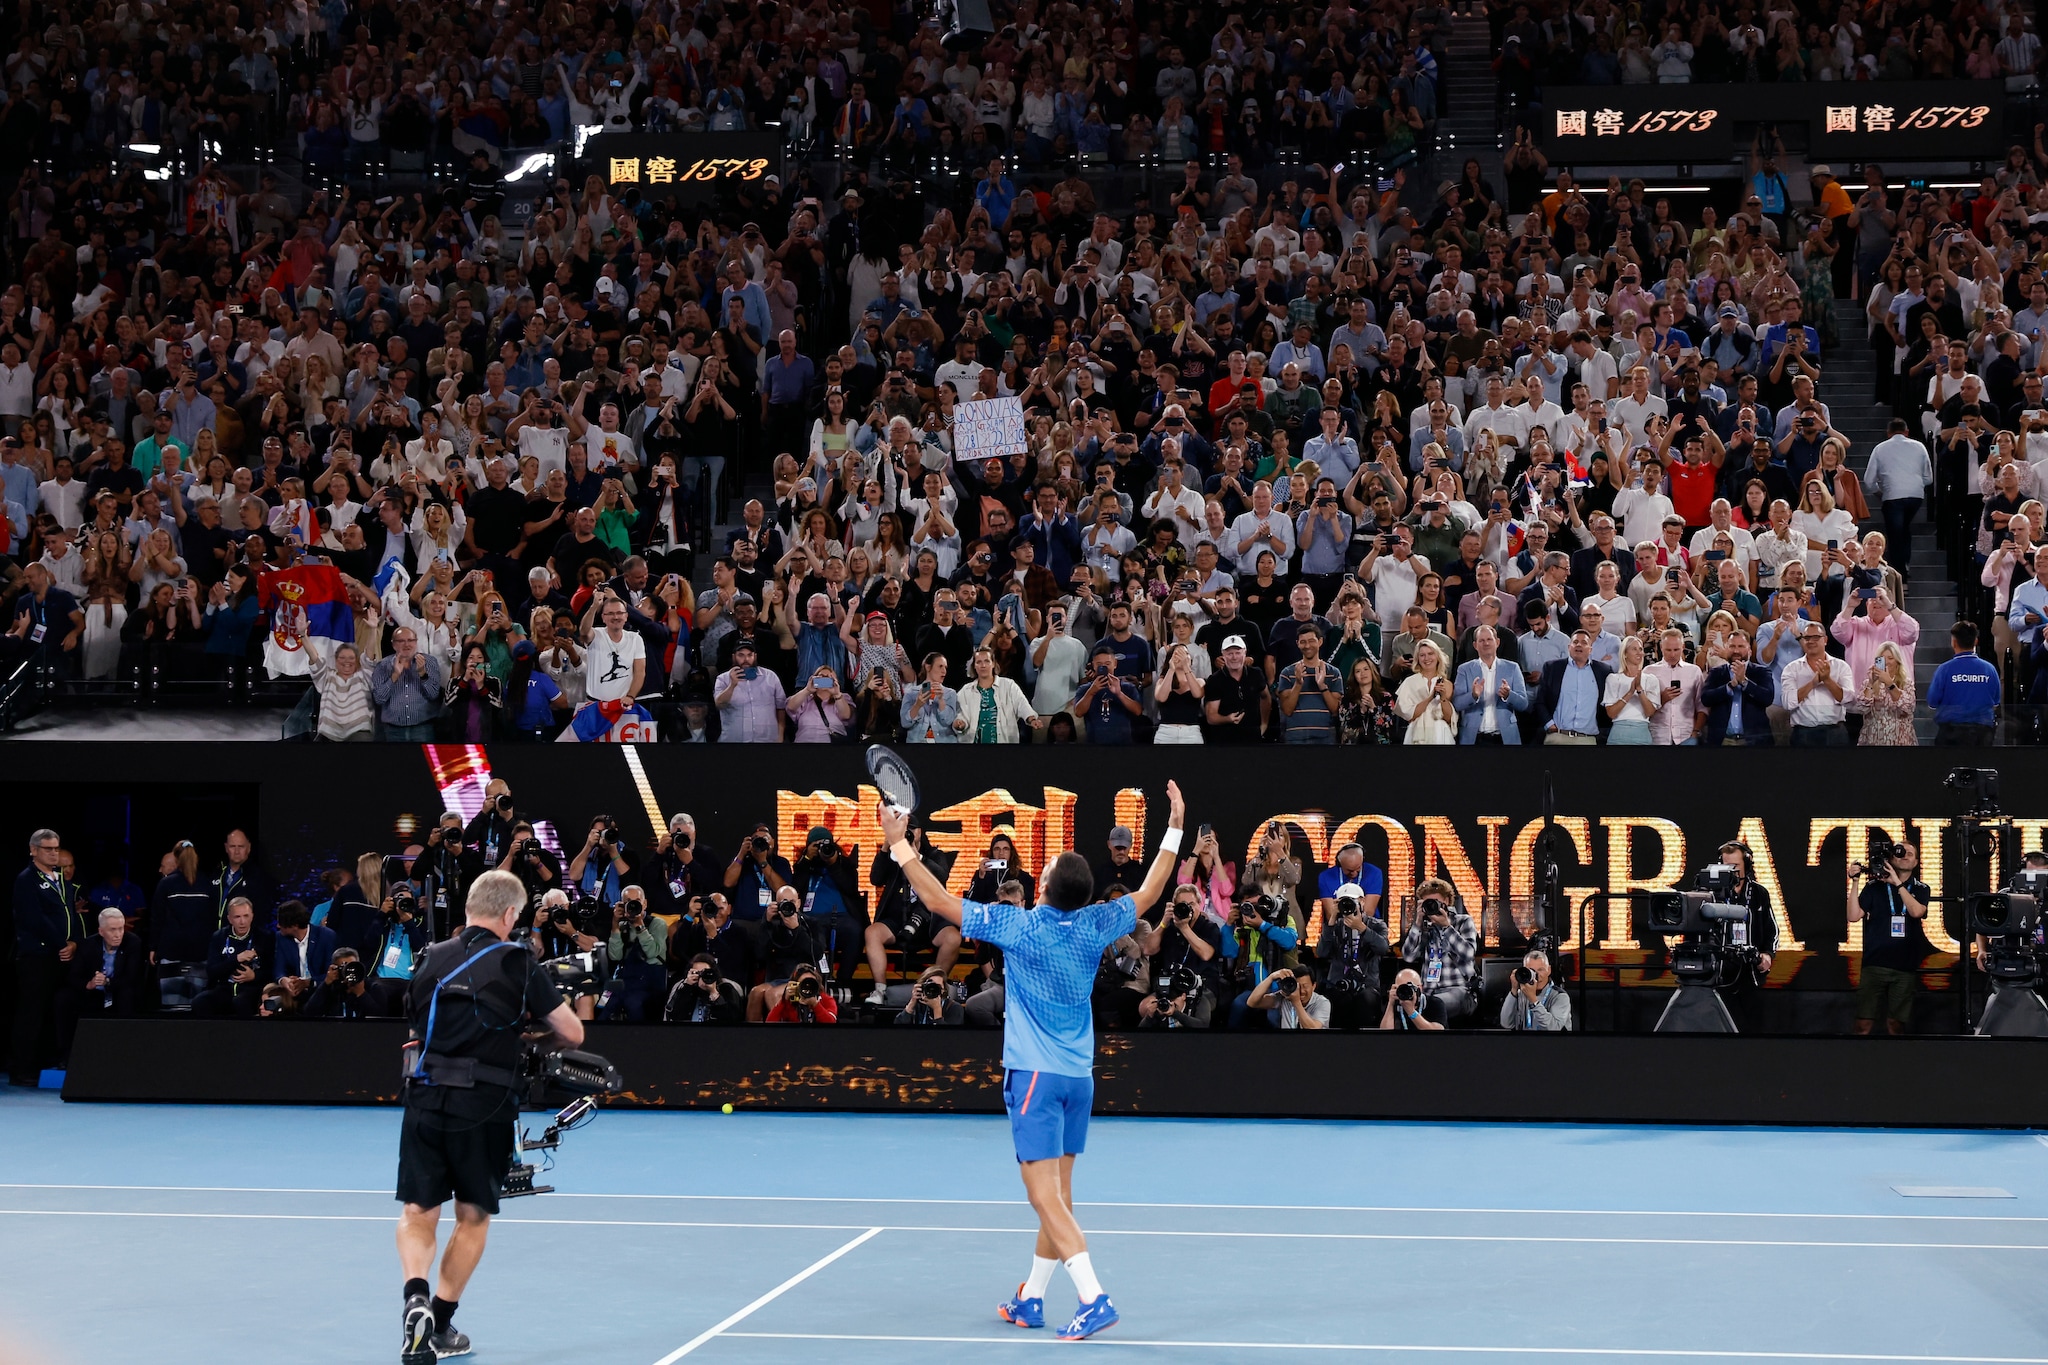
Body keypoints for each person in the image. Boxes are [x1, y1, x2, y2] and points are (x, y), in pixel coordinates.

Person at [875, 778, 1187, 1341]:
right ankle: (1032, 1298)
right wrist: (1175, 826)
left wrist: (900, 845)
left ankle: (1094, 1297)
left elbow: (940, 903)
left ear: (1042, 887)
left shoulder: (1019, 926)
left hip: (1037, 1078)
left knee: (1041, 1194)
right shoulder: (1098, 922)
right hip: (1079, 1079)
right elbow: (1151, 890)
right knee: (1059, 1196)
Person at [397, 870, 583, 1365]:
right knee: (473, 1216)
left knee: (418, 1212)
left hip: (425, 1095)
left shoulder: (431, 957)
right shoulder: (518, 961)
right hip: (484, 1104)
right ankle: (438, 1323)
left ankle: (413, 1297)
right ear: (508, 916)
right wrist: (533, 1042)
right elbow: (572, 1032)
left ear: (467, 911)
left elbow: (418, 1028)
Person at [11, 827, 87, 1085]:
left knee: (57, 1011)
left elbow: (71, 915)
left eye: (56, 848)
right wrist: (60, 944)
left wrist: (75, 943)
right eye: (48, 849)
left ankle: (53, 1061)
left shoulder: (61, 880)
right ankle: (22, 1070)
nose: (54, 853)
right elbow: (35, 919)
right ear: (33, 851)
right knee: (32, 1013)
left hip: (63, 956)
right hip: (38, 956)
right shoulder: (26, 880)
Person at [1845, 841, 1930, 1037]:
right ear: (1891, 858)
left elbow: (1917, 911)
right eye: (1900, 852)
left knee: (1896, 1025)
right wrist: (1855, 882)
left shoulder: (1921, 888)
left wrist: (1897, 884)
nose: (1905, 856)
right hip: (1874, 963)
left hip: (1905, 965)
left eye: (1910, 853)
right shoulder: (1874, 887)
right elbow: (1853, 916)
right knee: (1862, 1024)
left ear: (1916, 862)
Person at [1396, 878, 1479, 1025]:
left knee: (1434, 1005)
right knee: (1407, 1004)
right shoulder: (1424, 926)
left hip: (1459, 990)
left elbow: (1468, 954)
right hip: (1427, 991)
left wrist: (1447, 927)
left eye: (1435, 902)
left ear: (1446, 901)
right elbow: (1408, 956)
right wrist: (1417, 924)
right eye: (1427, 903)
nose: (1431, 906)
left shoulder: (1463, 921)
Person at [1925, 621, 2000, 746]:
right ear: (1976, 641)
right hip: (1983, 734)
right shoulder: (1989, 669)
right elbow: (1996, 702)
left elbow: (1932, 702)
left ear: (1953, 642)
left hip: (1951, 733)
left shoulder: (1944, 669)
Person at [1499, 949, 1571, 1030]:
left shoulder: (1560, 996)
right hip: (1526, 1041)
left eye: (1541, 970)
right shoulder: (1522, 994)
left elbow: (1554, 1028)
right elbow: (1506, 1024)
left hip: (1551, 1042)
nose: (1537, 976)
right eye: (1532, 971)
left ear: (1549, 970)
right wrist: (1514, 989)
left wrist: (1533, 1000)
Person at [1244, 966, 1328, 1029]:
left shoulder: (1322, 1002)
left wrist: (1296, 1002)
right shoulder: (1285, 997)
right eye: (1297, 986)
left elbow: (1314, 1030)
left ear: (1314, 986)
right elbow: (1252, 1002)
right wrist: (1271, 977)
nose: (1301, 991)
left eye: (1305, 986)